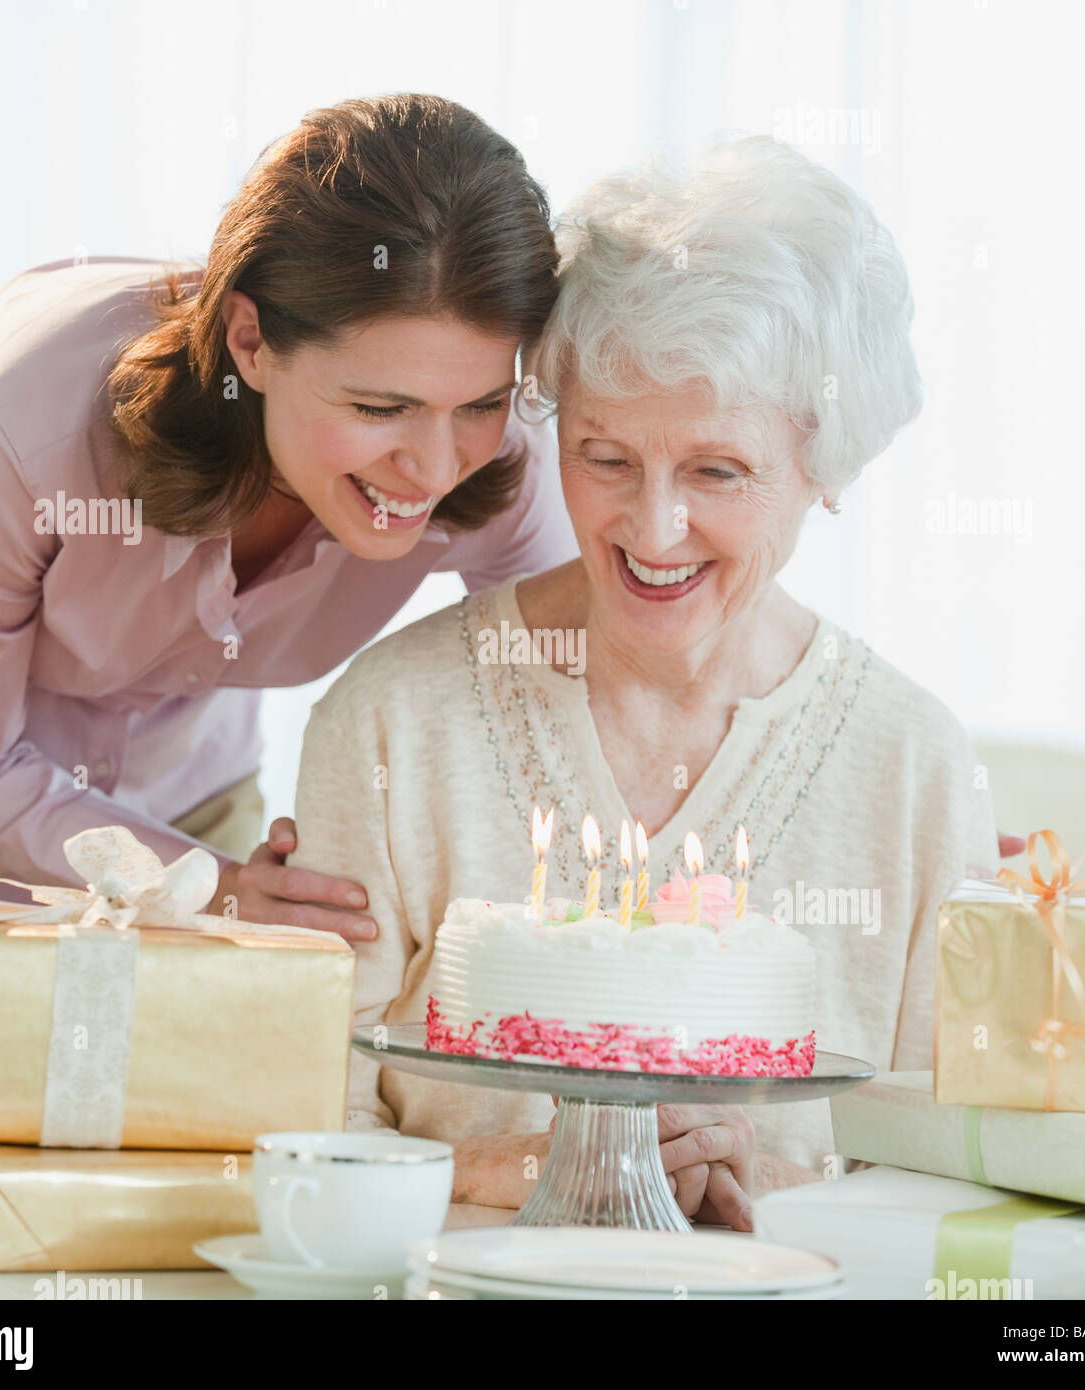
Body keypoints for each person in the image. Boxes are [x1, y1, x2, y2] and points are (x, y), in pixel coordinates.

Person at [292, 135, 1003, 1226]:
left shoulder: (912, 767)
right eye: (605, 456)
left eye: (717, 471)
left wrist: (763, 1184)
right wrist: (512, 1174)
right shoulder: (391, 723)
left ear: (825, 464)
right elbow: (302, 1134)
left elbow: (953, 1185)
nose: (653, 529)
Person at [0, 94, 575, 935]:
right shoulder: (22, 425)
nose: (434, 468)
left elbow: (557, 713)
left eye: (480, 401)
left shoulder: (497, 458)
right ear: (251, 343)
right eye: (379, 407)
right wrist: (210, 887)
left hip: (189, 811)